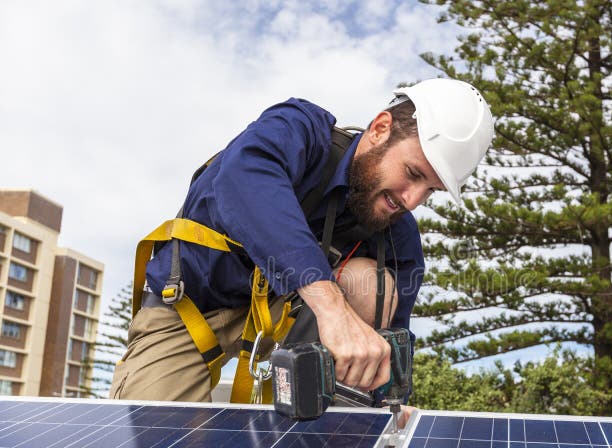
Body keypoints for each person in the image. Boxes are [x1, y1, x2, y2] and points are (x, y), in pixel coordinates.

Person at [110, 78, 494, 407]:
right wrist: (330, 307)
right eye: (413, 173)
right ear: (380, 129)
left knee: (375, 284)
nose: (412, 200)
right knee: (156, 445)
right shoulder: (299, 129)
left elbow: (394, 338)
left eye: (431, 190)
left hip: (286, 326)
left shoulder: (397, 231)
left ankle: (321, 422)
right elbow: (245, 180)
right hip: (190, 309)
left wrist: (390, 403)